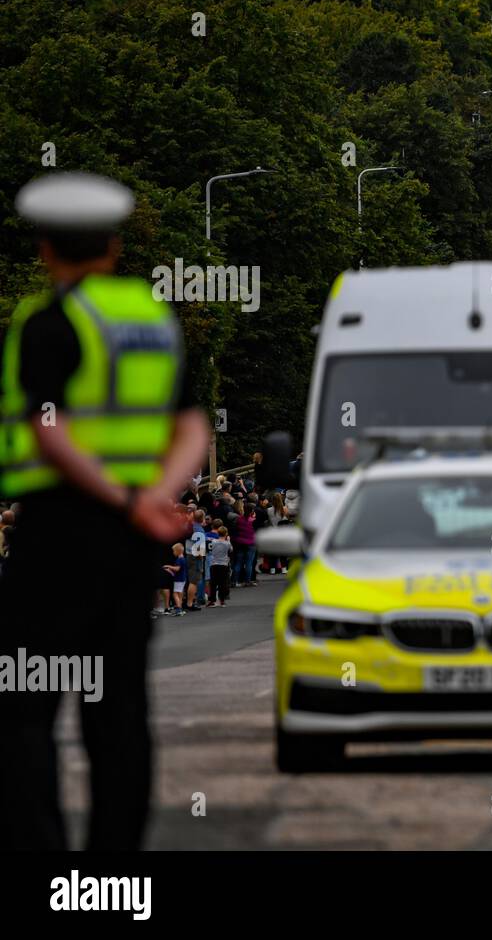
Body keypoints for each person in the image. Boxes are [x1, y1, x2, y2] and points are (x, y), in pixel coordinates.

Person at [0, 173, 210, 850]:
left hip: (60, 533)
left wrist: (122, 498)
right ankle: (112, 874)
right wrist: (153, 498)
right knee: (117, 708)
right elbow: (192, 427)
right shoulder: (153, 319)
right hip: (132, 541)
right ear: (116, 246)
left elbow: (46, 429)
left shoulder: (50, 321)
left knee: (24, 706)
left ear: (44, 249)